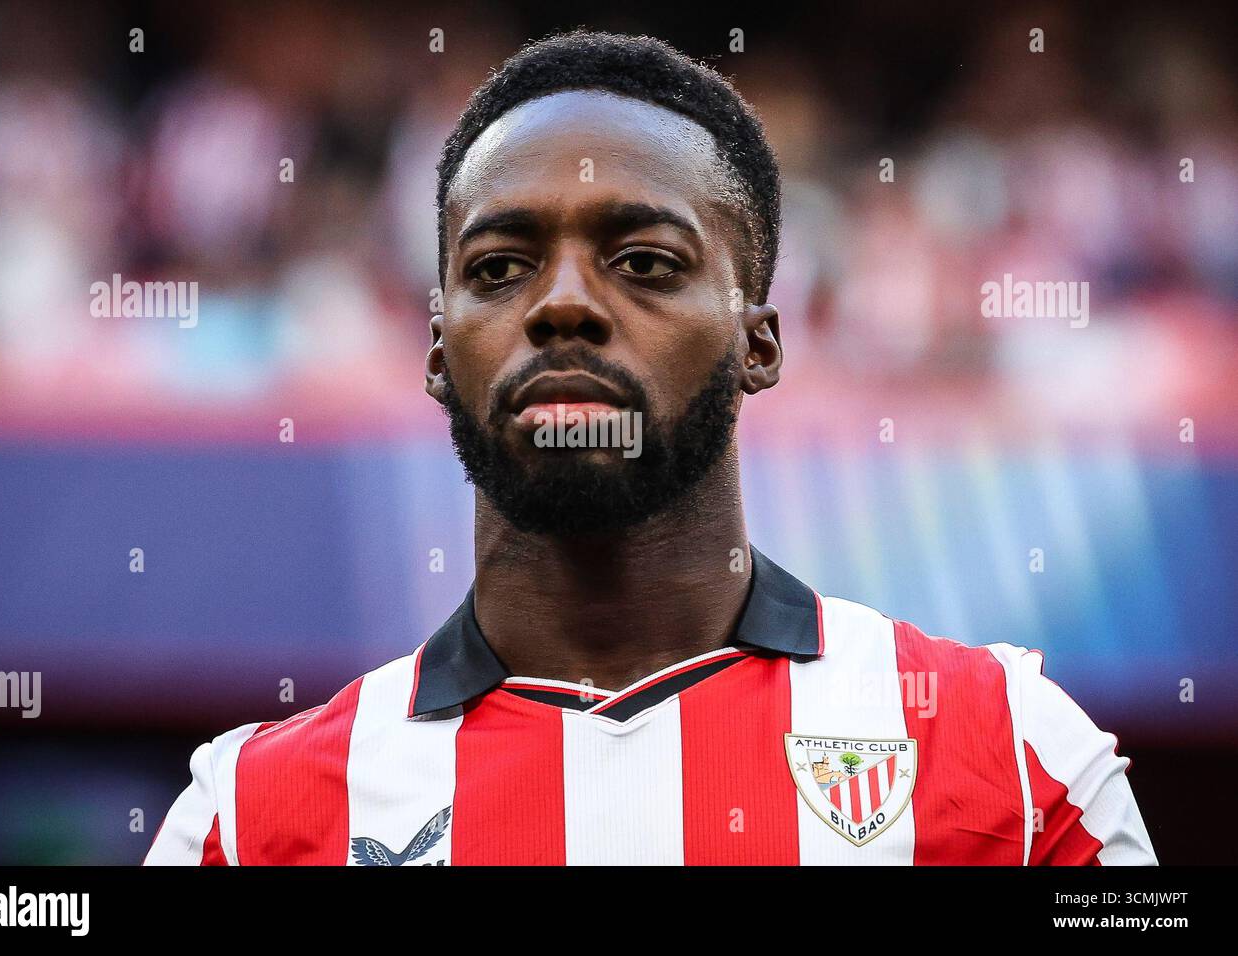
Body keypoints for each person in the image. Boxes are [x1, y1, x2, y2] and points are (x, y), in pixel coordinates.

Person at [145, 30, 1155, 866]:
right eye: (499, 267)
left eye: (642, 261)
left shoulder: (1012, 759)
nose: (565, 305)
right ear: (439, 350)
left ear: (758, 341)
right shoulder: (249, 816)